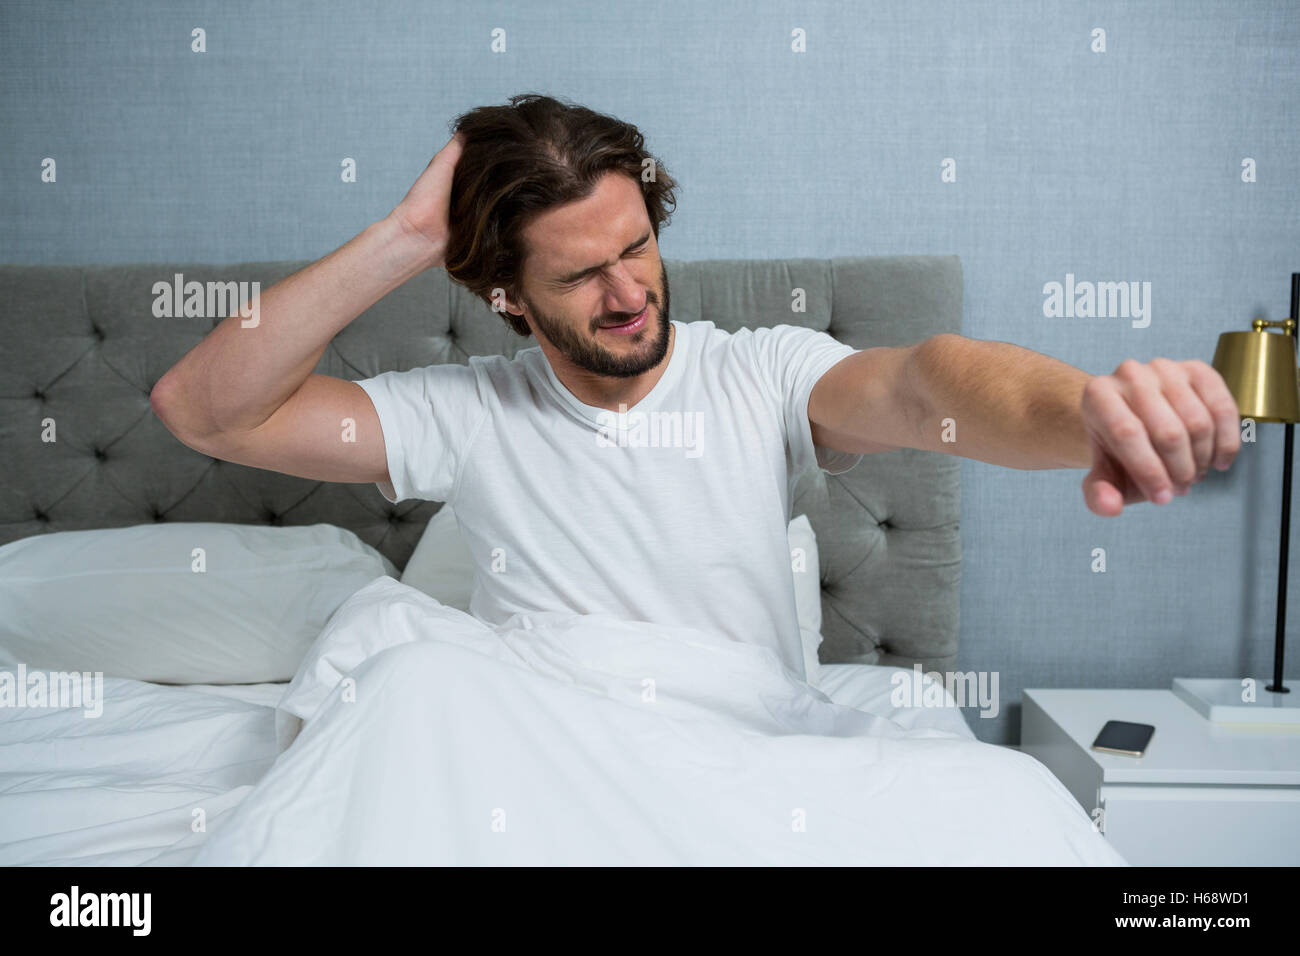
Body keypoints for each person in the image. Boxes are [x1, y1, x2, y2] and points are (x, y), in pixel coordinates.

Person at [151, 93, 1241, 678]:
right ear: (506, 297)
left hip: (739, 754)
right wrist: (401, 236)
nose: (627, 291)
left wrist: (1083, 408)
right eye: (579, 274)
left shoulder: (760, 372)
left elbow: (925, 382)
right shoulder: (465, 411)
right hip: (546, 763)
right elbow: (205, 409)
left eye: (636, 246)